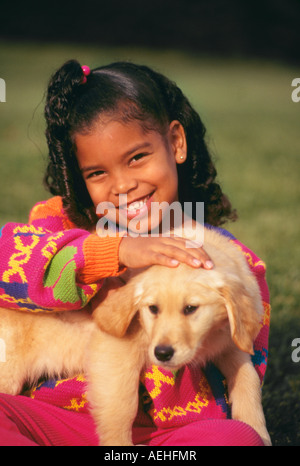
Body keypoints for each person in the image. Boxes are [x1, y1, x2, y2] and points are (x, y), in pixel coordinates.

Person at [0, 60, 270, 446]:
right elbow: (6, 256)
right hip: (56, 421)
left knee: (234, 439)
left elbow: (242, 353)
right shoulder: (66, 226)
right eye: (97, 173)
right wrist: (111, 254)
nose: (122, 185)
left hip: (166, 436)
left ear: (176, 143)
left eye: (137, 157)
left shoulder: (230, 262)